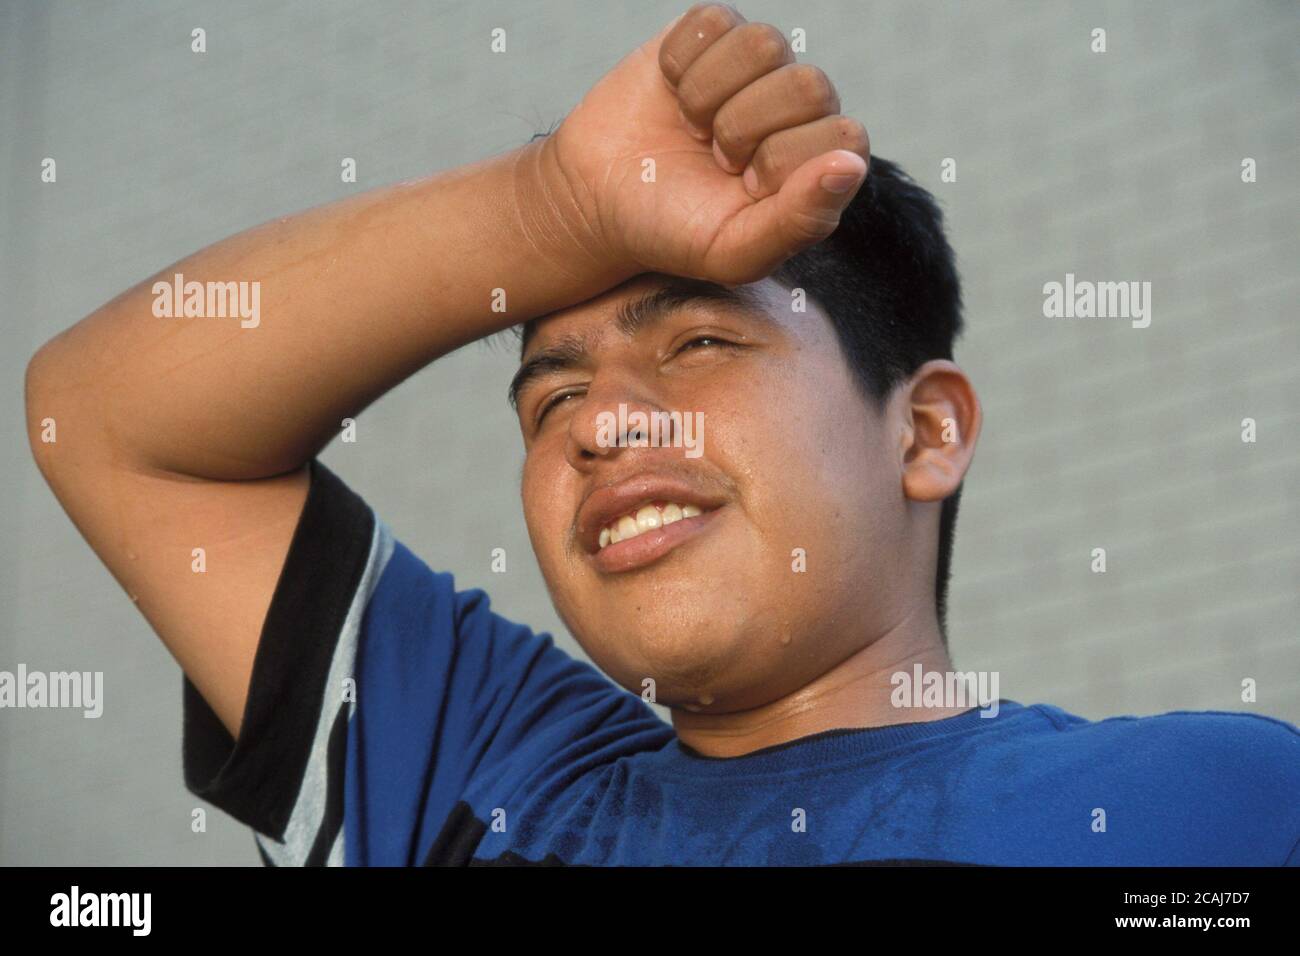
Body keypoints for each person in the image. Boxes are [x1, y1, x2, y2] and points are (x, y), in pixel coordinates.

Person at [25, 3, 1298, 866]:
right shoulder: (477, 775)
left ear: (923, 430)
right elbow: (111, 417)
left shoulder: (1208, 803)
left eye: (697, 343)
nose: (601, 425)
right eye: (551, 396)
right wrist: (554, 203)